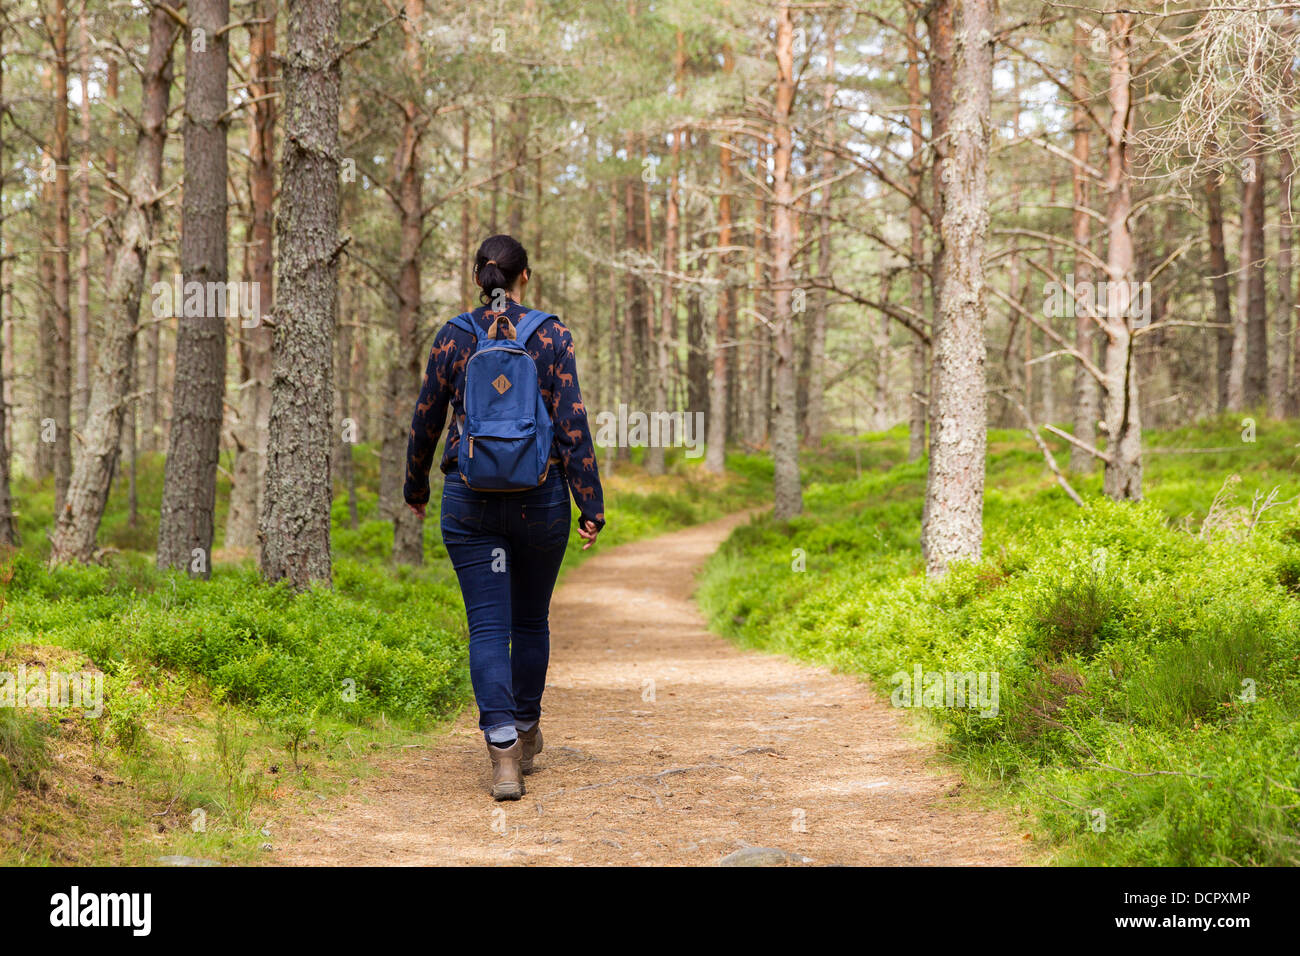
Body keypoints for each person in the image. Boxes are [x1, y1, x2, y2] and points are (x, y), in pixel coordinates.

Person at [404, 234, 605, 800]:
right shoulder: (549, 335)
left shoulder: (453, 338)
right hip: (540, 499)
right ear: (525, 278)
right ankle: (525, 726)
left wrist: (416, 486)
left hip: (469, 501)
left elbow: (425, 420)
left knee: (488, 625)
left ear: (477, 280)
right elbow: (573, 424)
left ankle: (503, 757)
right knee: (530, 621)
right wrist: (590, 504)